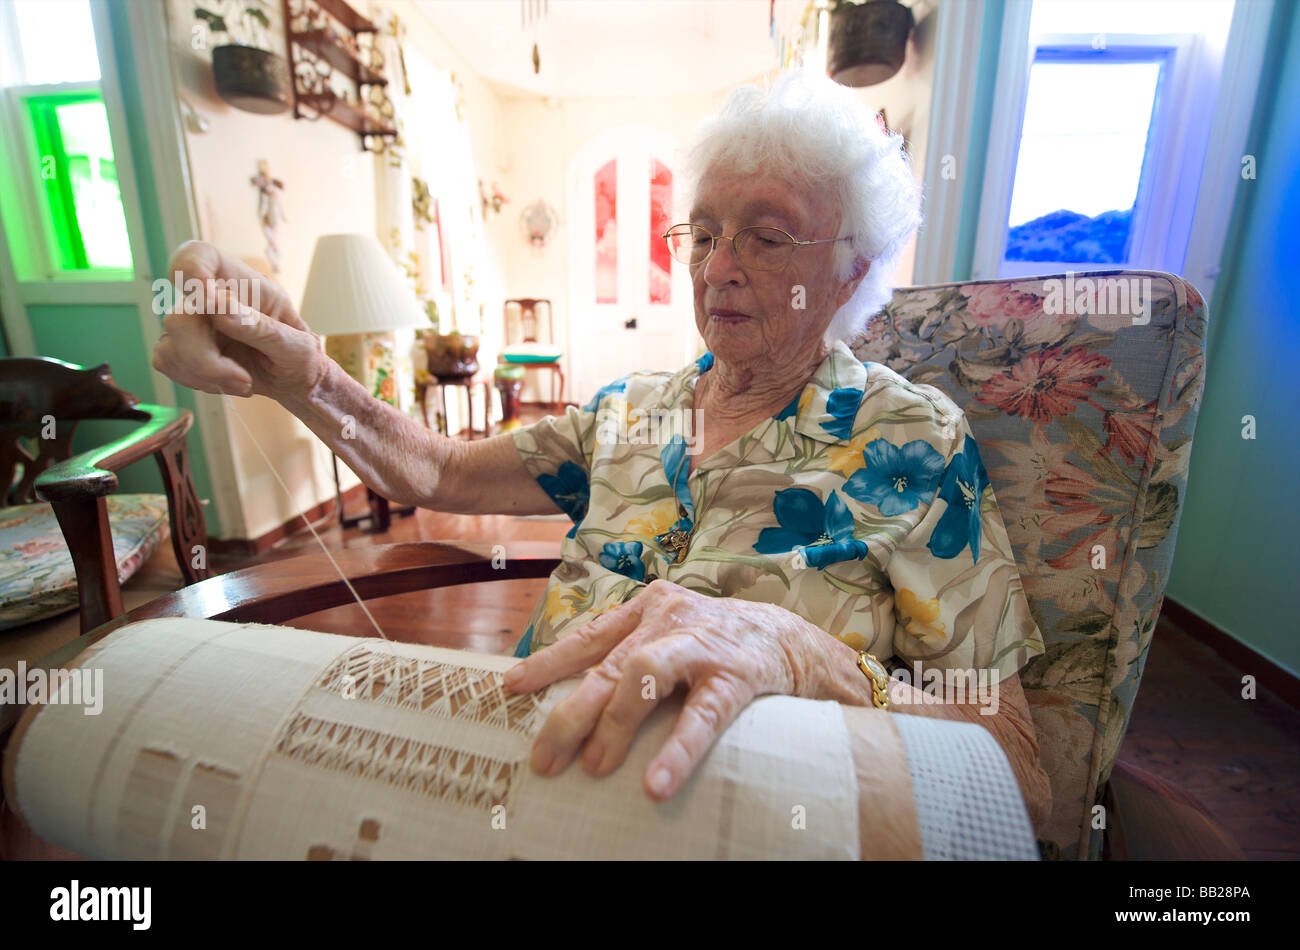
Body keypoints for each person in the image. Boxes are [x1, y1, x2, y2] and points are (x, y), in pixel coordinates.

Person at [151, 69, 1052, 840]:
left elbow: (1019, 766)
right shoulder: (632, 411)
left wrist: (807, 655)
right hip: (501, 784)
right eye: (702, 234)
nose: (716, 267)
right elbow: (437, 473)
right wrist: (299, 375)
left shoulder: (913, 441)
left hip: (728, 829)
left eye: (766, 237)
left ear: (853, 270)